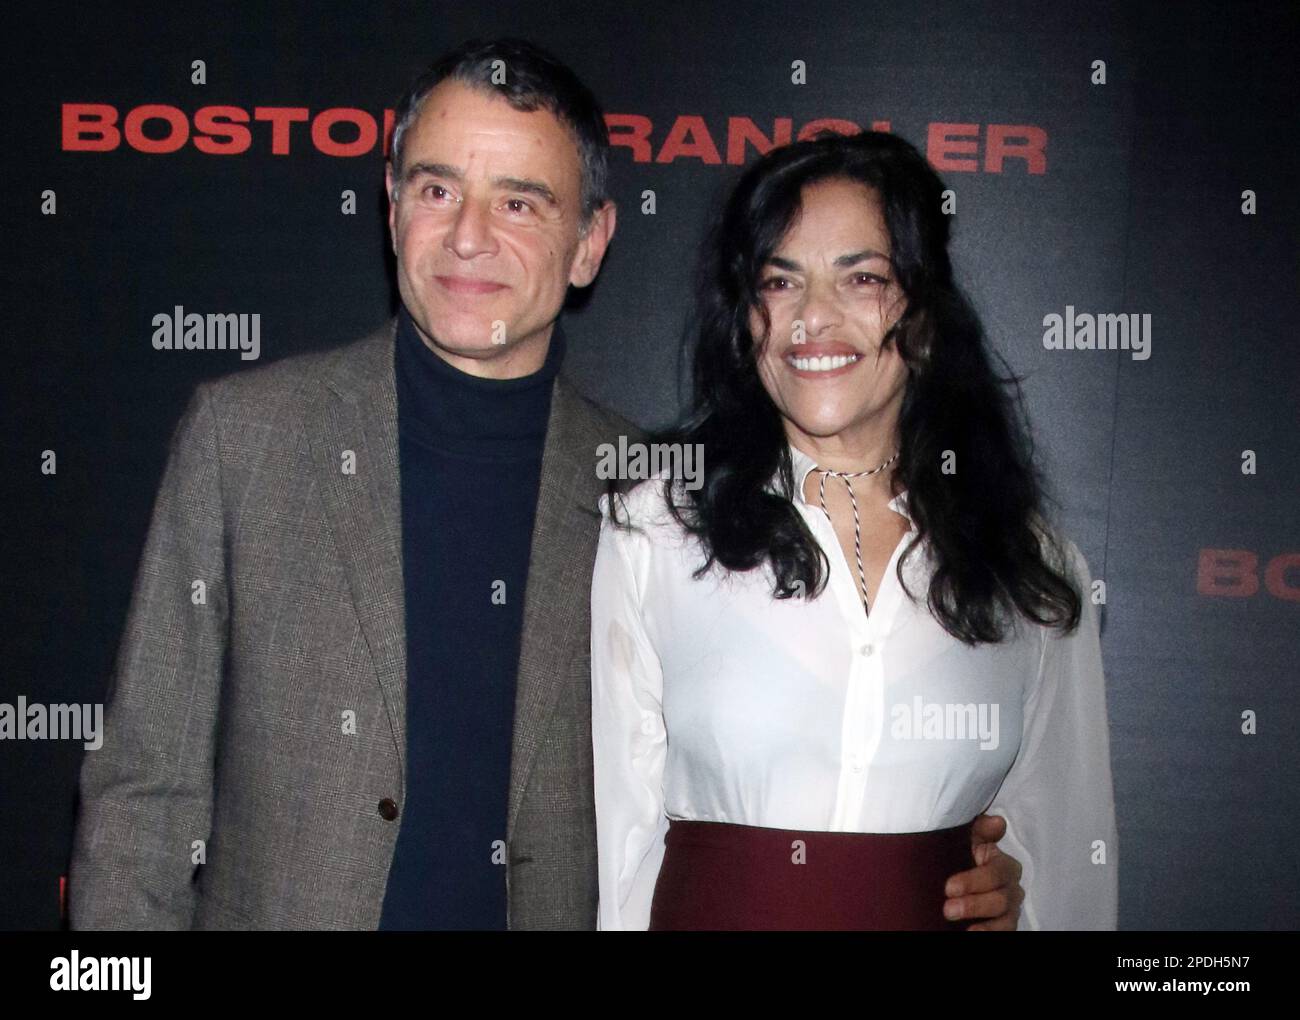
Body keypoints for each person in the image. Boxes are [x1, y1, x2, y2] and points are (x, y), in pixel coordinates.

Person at [68, 37, 1024, 930]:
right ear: (391, 204)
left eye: (520, 202)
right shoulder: (246, 439)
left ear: (591, 242)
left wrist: (952, 865)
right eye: (437, 188)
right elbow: (142, 797)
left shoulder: (660, 505)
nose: (468, 236)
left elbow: (774, 760)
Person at [591, 130, 1118, 930]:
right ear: (746, 318)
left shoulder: (1029, 568)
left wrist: (1018, 902)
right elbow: (621, 850)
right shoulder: (653, 531)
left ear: (925, 316)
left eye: (862, 278)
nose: (813, 318)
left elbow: (1066, 862)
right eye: (780, 282)